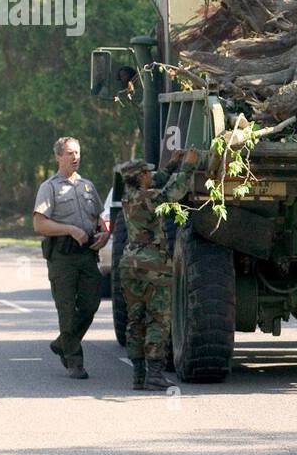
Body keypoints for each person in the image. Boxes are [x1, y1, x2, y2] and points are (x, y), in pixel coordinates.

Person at [115, 149, 199, 390]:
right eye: (147, 173)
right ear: (141, 177)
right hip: (153, 265)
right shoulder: (149, 198)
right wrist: (187, 168)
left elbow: (159, 181)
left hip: (129, 264)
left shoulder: (129, 195)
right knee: (158, 320)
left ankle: (138, 376)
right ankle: (154, 374)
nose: (151, 175)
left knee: (135, 320)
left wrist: (171, 166)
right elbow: (174, 192)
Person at [33, 136, 109, 379]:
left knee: (90, 303)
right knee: (66, 309)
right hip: (62, 257)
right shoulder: (50, 187)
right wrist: (69, 229)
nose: (75, 157)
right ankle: (74, 361)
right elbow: (39, 224)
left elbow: (100, 217)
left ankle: (61, 343)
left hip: (87, 254)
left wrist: (105, 233)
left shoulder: (87, 186)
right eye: (69, 153)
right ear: (58, 157)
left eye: (77, 152)